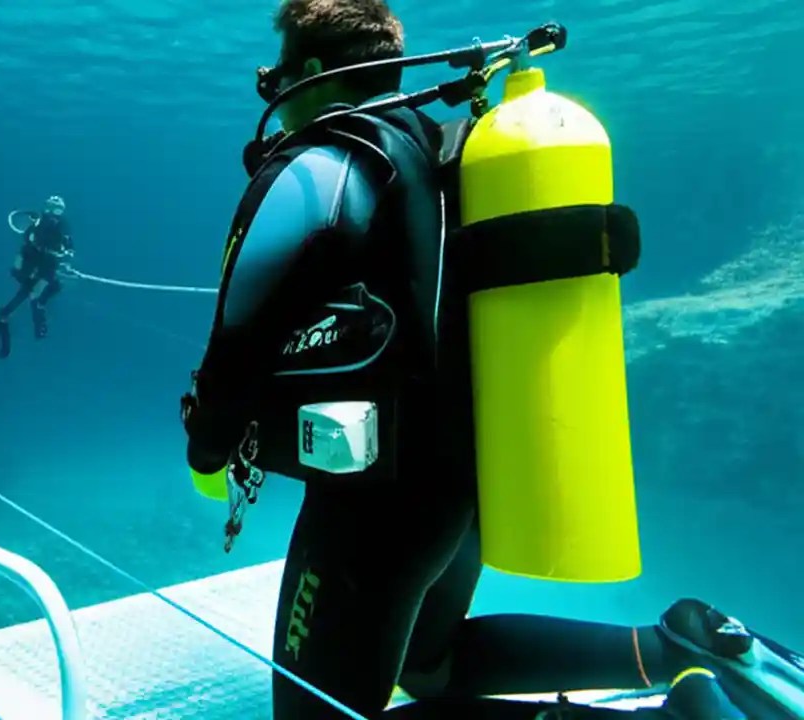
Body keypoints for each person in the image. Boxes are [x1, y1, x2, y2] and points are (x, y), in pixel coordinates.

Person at [179, 1, 804, 719]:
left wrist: (207, 451)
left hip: (374, 507)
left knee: (323, 714)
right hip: (473, 477)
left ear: (313, 73)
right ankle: (678, 652)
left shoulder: (323, 163)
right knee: (430, 666)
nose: (276, 103)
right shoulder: (452, 147)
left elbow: (238, 332)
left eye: (278, 79)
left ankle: (680, 718)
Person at [0, 194, 74, 359]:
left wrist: (65, 255)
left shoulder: (63, 226)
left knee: (34, 293)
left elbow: (68, 246)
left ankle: (13, 317)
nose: (52, 213)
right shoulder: (38, 222)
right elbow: (28, 238)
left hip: (47, 265)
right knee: (30, 293)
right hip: (34, 264)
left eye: (56, 209)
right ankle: (15, 319)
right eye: (50, 208)